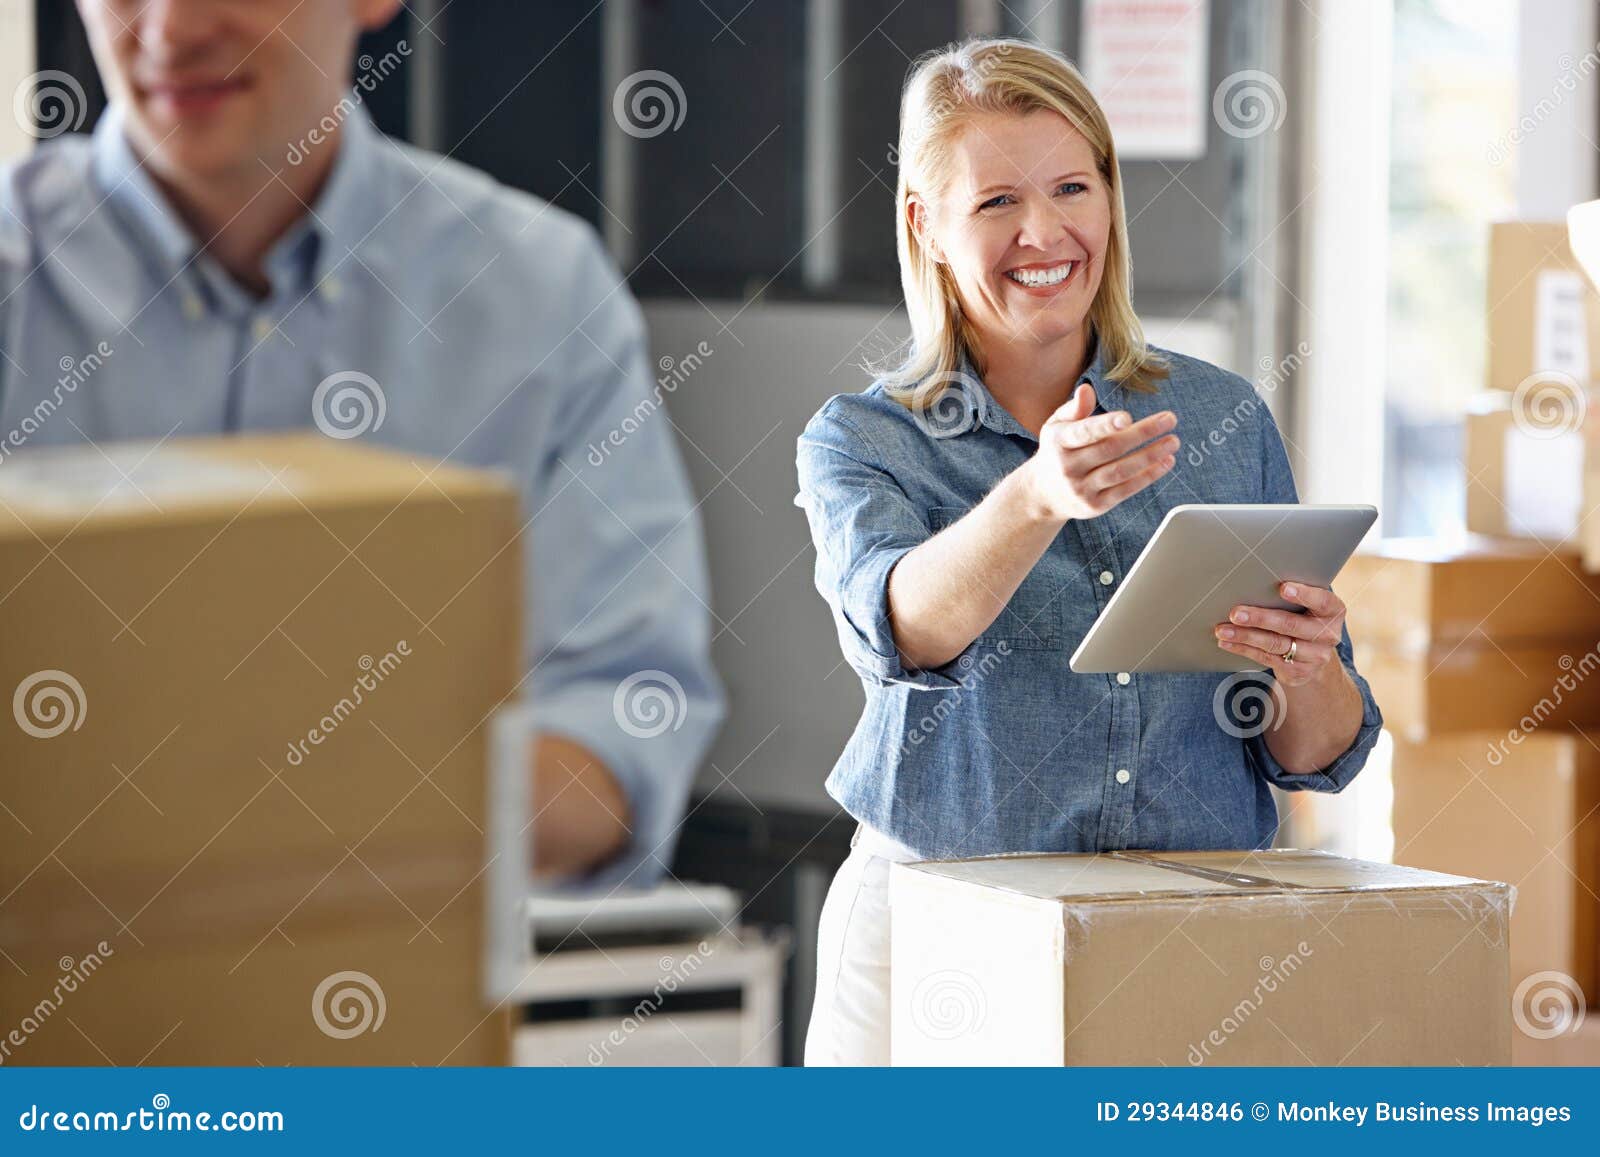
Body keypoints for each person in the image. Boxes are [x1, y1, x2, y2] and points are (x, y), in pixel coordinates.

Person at [0, 1, 722, 887]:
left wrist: (254, 816)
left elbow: (619, 733)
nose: (168, 31)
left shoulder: (540, 295)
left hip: (402, 993)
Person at [795, 38, 1383, 1065]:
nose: (1044, 231)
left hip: (1186, 930)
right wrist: (1034, 495)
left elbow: (1314, 753)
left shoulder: (1220, 416)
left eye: (1073, 185)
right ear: (924, 226)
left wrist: (1309, 664)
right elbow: (900, 629)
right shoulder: (862, 440)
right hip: (944, 927)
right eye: (995, 203)